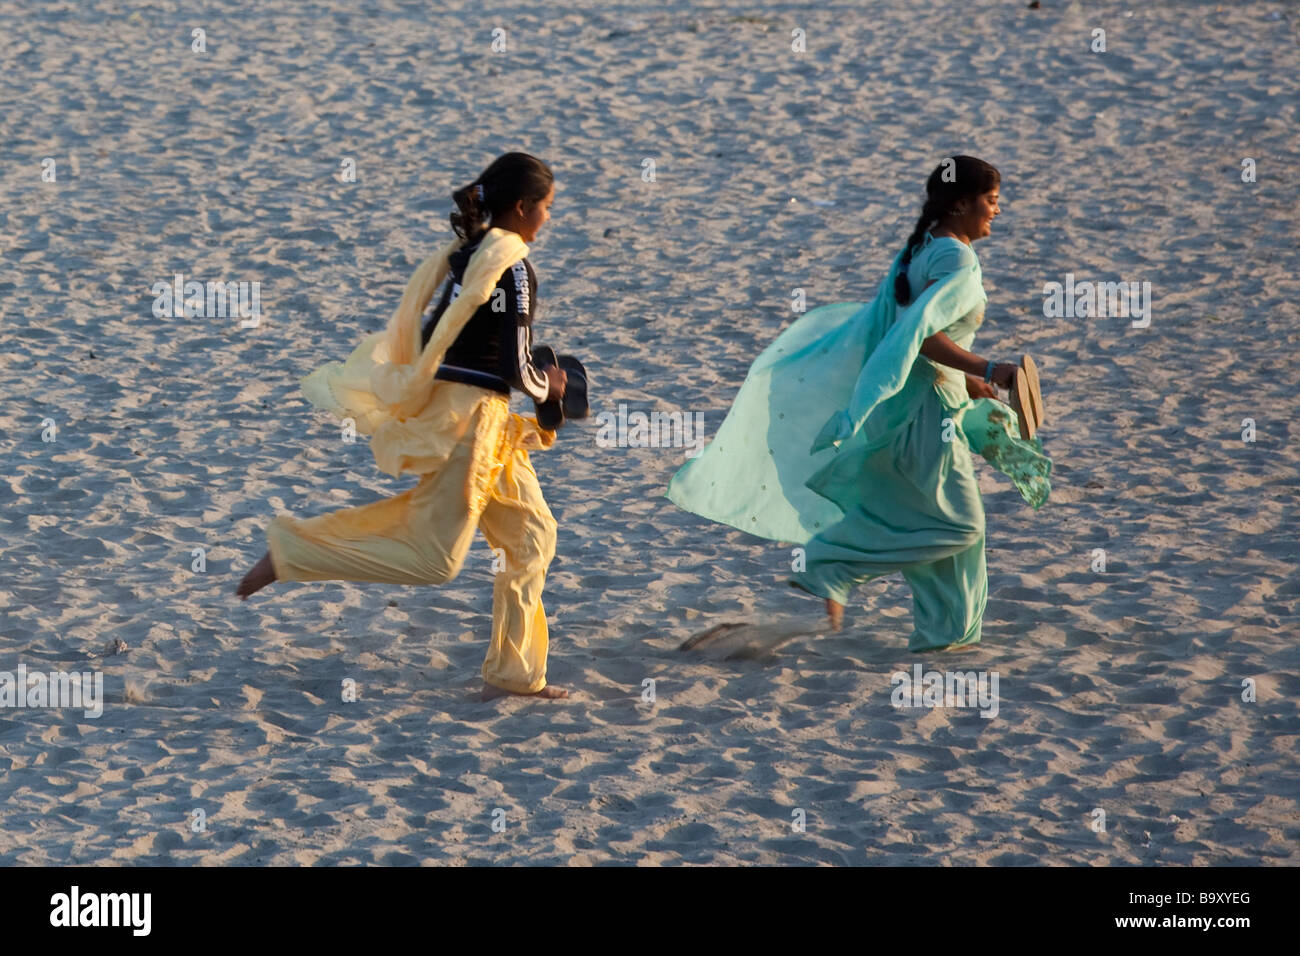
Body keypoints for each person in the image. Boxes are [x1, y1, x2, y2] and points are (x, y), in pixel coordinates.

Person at [666, 156, 1051, 651]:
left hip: (926, 403)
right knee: (958, 523)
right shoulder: (955, 259)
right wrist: (988, 369)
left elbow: (916, 335)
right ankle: (833, 563)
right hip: (926, 414)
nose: (998, 211)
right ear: (960, 202)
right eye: (992, 201)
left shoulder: (926, 247)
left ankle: (946, 636)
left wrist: (966, 379)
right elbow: (918, 333)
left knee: (949, 534)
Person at [236, 152, 570, 700]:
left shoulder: (466, 258)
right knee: (434, 559)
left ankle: (516, 676)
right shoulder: (514, 266)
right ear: (521, 208)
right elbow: (517, 367)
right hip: (473, 427)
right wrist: (550, 387)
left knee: (532, 539)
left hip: (478, 421)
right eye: (547, 208)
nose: (549, 219)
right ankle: (294, 551)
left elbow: (438, 331)